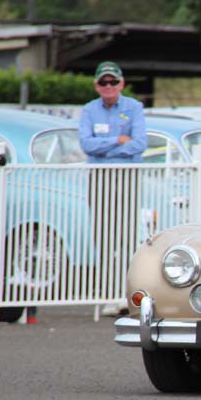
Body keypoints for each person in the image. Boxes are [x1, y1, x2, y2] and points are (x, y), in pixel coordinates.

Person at [79, 61, 147, 312]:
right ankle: (109, 293)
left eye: (113, 82)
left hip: (128, 175)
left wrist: (104, 146)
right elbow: (87, 145)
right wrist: (117, 140)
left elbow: (139, 144)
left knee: (127, 235)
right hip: (100, 176)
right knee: (104, 236)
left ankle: (127, 294)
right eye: (104, 82)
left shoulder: (134, 107)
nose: (109, 86)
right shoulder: (88, 110)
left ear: (122, 84)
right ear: (96, 85)